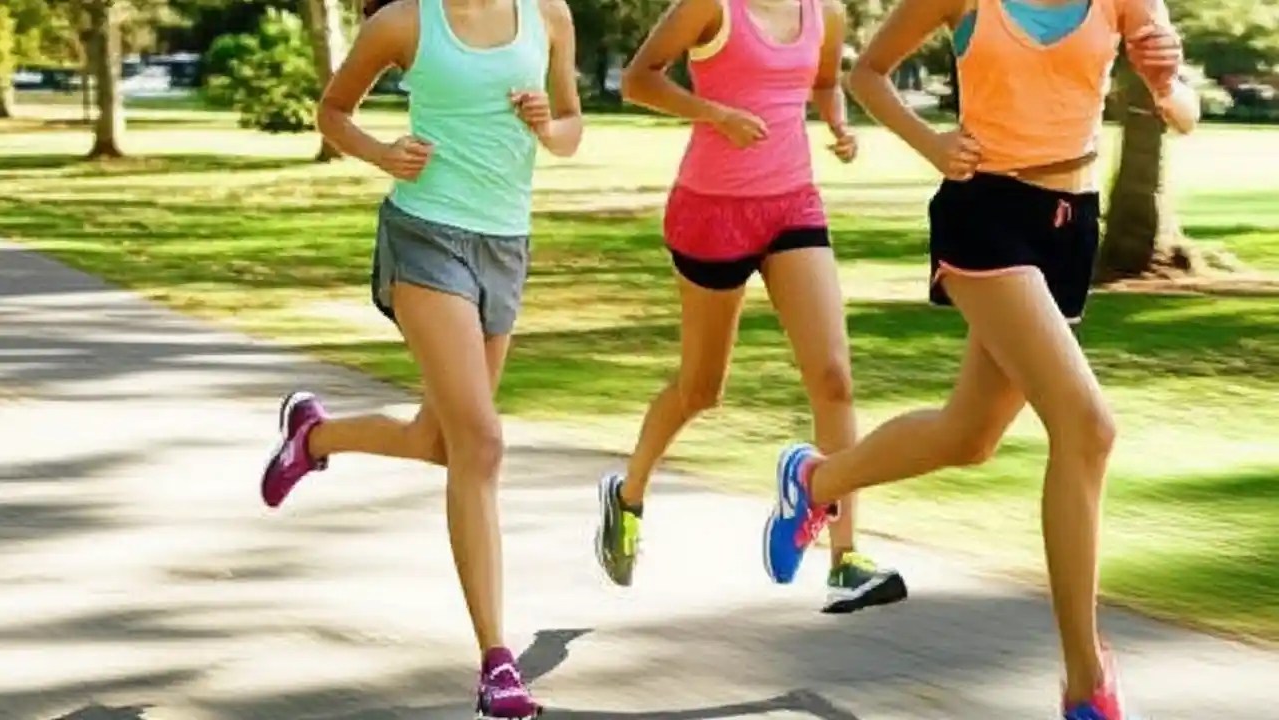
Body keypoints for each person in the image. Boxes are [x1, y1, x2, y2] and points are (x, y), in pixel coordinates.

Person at [761, 0, 1197, 717]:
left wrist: (1166, 81)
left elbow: (1182, 113)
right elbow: (868, 72)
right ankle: (1087, 682)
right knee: (1088, 427)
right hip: (986, 216)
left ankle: (814, 479)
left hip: (1070, 226)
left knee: (970, 435)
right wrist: (931, 143)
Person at [259, 0, 582, 716]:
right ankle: (498, 663)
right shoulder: (406, 22)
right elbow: (333, 110)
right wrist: (381, 153)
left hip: (507, 245)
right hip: (427, 237)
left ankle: (314, 436)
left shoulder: (549, 16)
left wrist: (546, 127)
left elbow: (572, 128)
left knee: (443, 442)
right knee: (484, 443)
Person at [593, 0, 908, 615]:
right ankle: (627, 495)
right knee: (701, 389)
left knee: (834, 377)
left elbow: (822, 80)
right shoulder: (711, 7)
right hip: (711, 212)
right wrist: (714, 113)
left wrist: (837, 124)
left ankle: (846, 559)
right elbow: (639, 78)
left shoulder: (825, 12)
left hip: (792, 203)